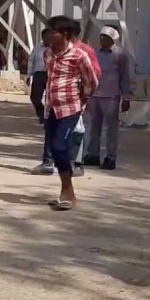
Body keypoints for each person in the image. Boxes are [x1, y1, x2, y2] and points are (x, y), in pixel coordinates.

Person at [43, 17, 98, 210]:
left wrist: (83, 100)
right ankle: (66, 191)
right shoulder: (48, 54)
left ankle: (68, 191)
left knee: (59, 147)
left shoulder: (79, 55)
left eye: (52, 31)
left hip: (70, 108)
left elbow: (92, 81)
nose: (49, 35)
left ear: (64, 34)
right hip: (52, 108)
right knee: (55, 149)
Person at [83, 26, 132, 170]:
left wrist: (126, 97)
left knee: (111, 128)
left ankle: (110, 157)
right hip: (95, 95)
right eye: (101, 36)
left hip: (111, 96)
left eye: (106, 37)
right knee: (93, 127)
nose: (102, 39)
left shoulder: (120, 55)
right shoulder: (95, 53)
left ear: (113, 39)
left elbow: (124, 77)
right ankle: (92, 155)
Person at [27, 28, 52, 123]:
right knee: (35, 97)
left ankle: (47, 117)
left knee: (49, 98)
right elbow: (31, 61)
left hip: (50, 75)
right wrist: (29, 75)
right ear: (42, 37)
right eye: (46, 37)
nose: (48, 39)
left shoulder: (55, 48)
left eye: (50, 37)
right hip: (38, 75)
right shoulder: (37, 48)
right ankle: (41, 113)